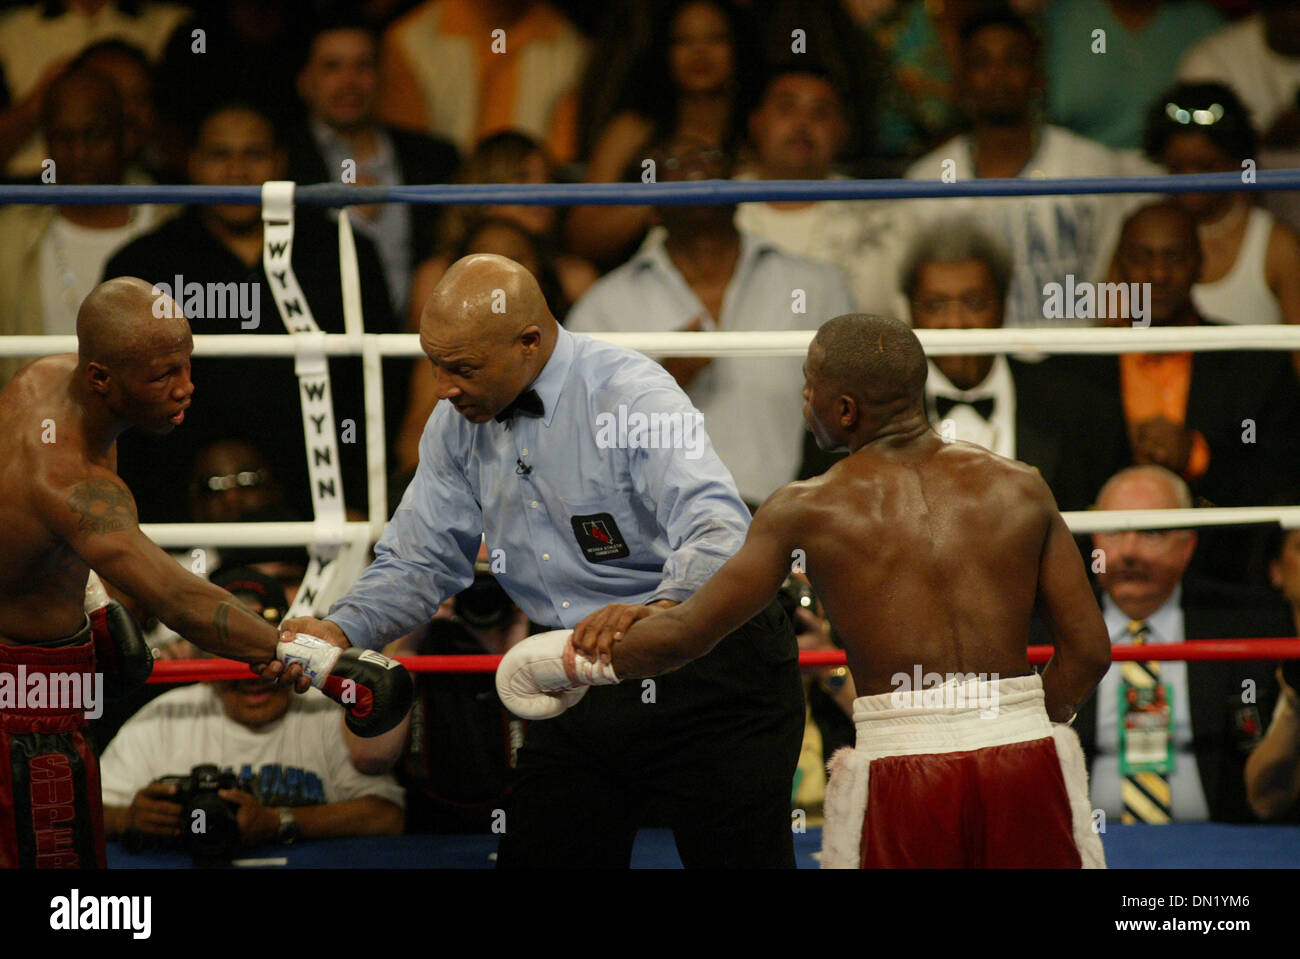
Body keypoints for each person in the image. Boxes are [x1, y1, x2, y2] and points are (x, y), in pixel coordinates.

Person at [502, 312, 1114, 868]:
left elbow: (685, 636)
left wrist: (567, 662)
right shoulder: (1023, 486)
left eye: (808, 384)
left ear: (844, 409)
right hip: (1025, 758)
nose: (803, 400)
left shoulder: (807, 509)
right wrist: (1017, 728)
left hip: (904, 770)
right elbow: (1088, 652)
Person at [283, 253, 805, 868]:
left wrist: (661, 614)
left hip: (712, 661)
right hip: (577, 668)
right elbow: (419, 559)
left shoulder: (629, 394)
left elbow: (719, 529)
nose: (443, 386)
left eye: (462, 368)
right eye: (434, 365)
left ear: (529, 342)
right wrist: (342, 626)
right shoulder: (454, 426)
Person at [0, 277, 408, 868]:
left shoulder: (43, 378)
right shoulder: (71, 485)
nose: (186, 386)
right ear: (101, 380)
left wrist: (85, 597)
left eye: (186, 364)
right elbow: (174, 595)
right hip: (27, 711)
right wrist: (314, 660)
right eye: (163, 375)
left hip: (42, 685)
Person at [566, 138, 856, 505]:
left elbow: (858, 415)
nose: (694, 164)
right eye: (672, 160)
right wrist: (662, 387)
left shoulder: (816, 286)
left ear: (740, 190)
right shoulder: (604, 307)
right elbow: (575, 439)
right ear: (650, 209)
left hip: (792, 522)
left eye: (711, 156)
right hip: (652, 530)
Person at [101, 568, 405, 850]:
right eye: (234, 656)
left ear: (295, 653)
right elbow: (91, 813)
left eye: (267, 655)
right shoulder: (165, 717)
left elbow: (387, 815)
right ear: (205, 665)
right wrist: (129, 818)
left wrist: (280, 822)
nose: (252, 674)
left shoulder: (323, 712)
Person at [905, 7, 1148, 328]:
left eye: (1014, 60)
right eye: (981, 62)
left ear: (1038, 76)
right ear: (961, 79)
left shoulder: (1092, 165)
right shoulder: (926, 180)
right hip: (977, 369)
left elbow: (1118, 276)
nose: (998, 74)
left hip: (1077, 364)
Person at [1075, 465, 1290, 824]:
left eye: (1152, 533)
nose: (1129, 551)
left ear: (1187, 546)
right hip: (1085, 849)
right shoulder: (1047, 630)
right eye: (1114, 530)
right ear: (1094, 537)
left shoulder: (1247, 624)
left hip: (1222, 848)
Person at [0, 66, 170, 388]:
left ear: (125, 135)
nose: (79, 153)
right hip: (35, 430)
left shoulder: (172, 222)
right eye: (64, 137)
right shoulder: (8, 236)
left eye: (94, 135)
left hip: (152, 432)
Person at [566, 0, 763, 266]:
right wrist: (660, 196)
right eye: (683, 41)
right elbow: (583, 238)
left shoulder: (760, 129)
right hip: (641, 283)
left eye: (715, 39)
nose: (699, 52)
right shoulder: (631, 130)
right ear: (665, 53)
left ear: (739, 48)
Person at [286, 18, 460, 317]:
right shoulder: (279, 158)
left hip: (425, 345)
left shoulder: (435, 158)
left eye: (362, 66)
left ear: (381, 77)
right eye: (332, 67)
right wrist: (346, 223)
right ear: (304, 81)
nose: (349, 81)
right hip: (321, 341)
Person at [1142, 82, 1300, 353]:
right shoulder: (1139, 235)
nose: (1190, 180)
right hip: (1153, 393)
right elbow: (1110, 344)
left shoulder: (1278, 245)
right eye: (1178, 167)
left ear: (1236, 161)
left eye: (1205, 166)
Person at [378, 0, 587, 164]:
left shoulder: (573, 53)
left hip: (531, 206)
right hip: (439, 205)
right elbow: (409, 158)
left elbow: (559, 165)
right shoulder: (410, 42)